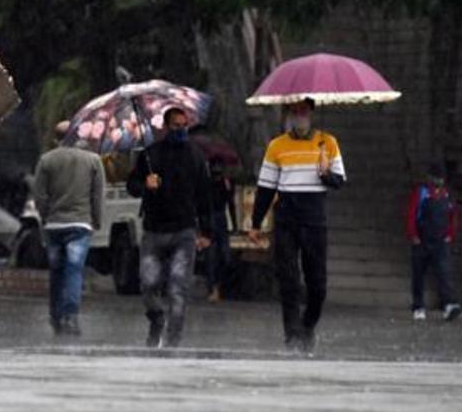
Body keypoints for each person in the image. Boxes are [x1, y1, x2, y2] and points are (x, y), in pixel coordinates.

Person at [246, 98, 346, 352]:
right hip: (286, 221)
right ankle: (291, 334)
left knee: (317, 284)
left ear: (311, 113)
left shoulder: (328, 143)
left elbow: (339, 181)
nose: (299, 115)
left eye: (303, 111)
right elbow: (266, 188)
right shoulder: (277, 146)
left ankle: (308, 324)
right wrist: (256, 223)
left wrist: (326, 173)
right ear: (289, 114)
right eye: (294, 111)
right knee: (288, 279)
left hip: (314, 221)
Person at [126, 107, 214, 348]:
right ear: (166, 126)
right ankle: (156, 318)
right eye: (176, 125)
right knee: (148, 282)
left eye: (184, 125)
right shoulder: (150, 155)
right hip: (153, 230)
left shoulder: (196, 157)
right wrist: (145, 183)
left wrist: (206, 231)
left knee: (178, 287)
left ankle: (173, 339)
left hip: (184, 231)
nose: (181, 129)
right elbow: (132, 186)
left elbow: (204, 196)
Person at [27, 122, 106, 337]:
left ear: (56, 138)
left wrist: (46, 216)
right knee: (74, 270)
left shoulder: (46, 160)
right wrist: (97, 220)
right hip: (80, 224)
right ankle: (71, 315)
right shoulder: (93, 160)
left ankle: (55, 315)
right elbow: (97, 195)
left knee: (56, 271)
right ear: (78, 135)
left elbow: (39, 194)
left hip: (54, 224)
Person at [407, 162, 462, 322]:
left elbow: (453, 216)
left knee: (444, 273)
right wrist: (413, 234)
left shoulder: (447, 196)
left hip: (440, 240)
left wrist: (450, 234)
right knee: (419, 274)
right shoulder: (421, 193)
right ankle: (418, 306)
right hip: (422, 239)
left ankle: (449, 304)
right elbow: (412, 214)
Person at [199, 150, 237, 303]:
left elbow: (231, 204)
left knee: (225, 257)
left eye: (219, 167)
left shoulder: (226, 183)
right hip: (209, 219)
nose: (217, 170)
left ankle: (219, 286)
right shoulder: (206, 184)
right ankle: (213, 288)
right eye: (214, 166)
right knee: (211, 257)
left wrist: (234, 224)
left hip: (221, 220)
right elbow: (201, 204)